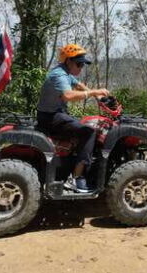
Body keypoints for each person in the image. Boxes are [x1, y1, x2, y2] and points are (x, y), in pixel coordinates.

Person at [36, 44, 109, 193]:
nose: (81, 68)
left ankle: (79, 164)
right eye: (79, 64)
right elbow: (68, 95)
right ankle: (77, 177)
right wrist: (94, 92)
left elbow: (78, 84)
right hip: (51, 117)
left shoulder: (65, 72)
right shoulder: (59, 75)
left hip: (55, 114)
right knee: (89, 132)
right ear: (68, 61)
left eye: (83, 64)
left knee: (84, 123)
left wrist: (96, 95)